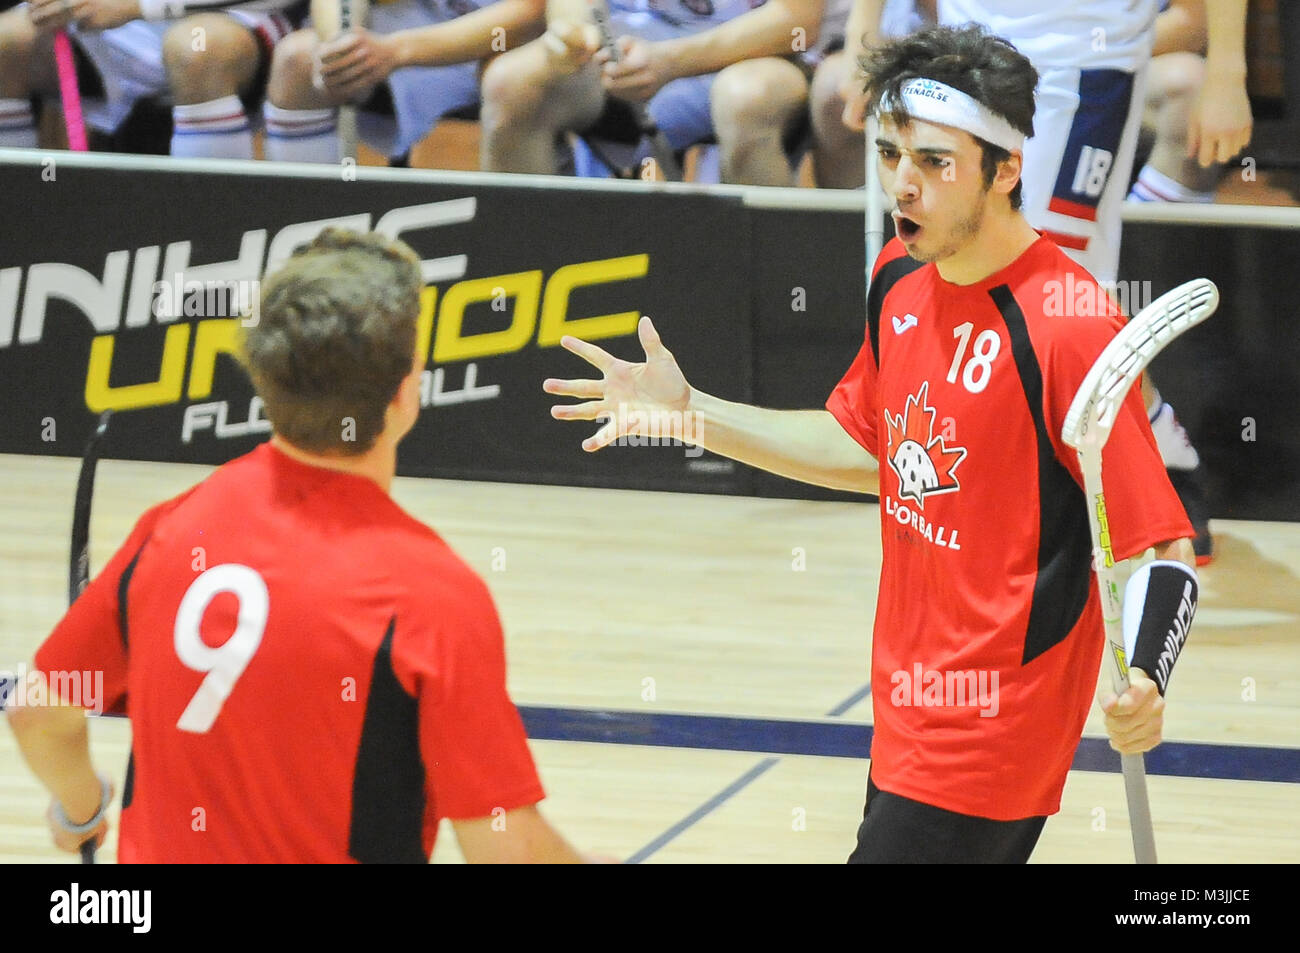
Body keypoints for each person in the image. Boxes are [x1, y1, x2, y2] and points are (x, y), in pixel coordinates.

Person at [544, 24, 1196, 862]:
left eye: (934, 162)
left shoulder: (1068, 327)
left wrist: (1147, 674)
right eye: (891, 156)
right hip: (904, 703)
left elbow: (1164, 543)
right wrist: (691, 412)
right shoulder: (898, 274)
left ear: (1005, 170)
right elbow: (870, 450)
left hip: (995, 724)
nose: (903, 185)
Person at [5, 229, 586, 863]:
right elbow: (507, 850)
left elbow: (37, 710)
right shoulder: (430, 597)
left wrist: (79, 807)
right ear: (405, 391)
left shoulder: (172, 528)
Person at [821, 0, 1252, 565]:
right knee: (993, 274)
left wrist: (1227, 66)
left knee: (1049, 292)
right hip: (969, 50)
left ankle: (1156, 464)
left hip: (1085, 58)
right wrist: (862, 36)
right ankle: (1105, 463)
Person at [478, 0, 827, 186]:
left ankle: (767, 294)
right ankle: (516, 280)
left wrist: (670, 61)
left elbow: (797, 20)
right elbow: (572, 9)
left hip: (748, 55)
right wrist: (574, 34)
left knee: (747, 97)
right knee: (511, 82)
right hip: (619, 51)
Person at [3, 0, 301, 158]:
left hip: (233, 16)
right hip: (103, 20)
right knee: (6, 41)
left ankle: (212, 238)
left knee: (196, 51)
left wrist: (139, 5)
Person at [262, 0, 544, 165]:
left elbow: (534, 12)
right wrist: (342, 41)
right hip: (399, 26)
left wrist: (397, 51)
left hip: (496, 43)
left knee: (507, 79)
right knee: (297, 59)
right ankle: (305, 240)